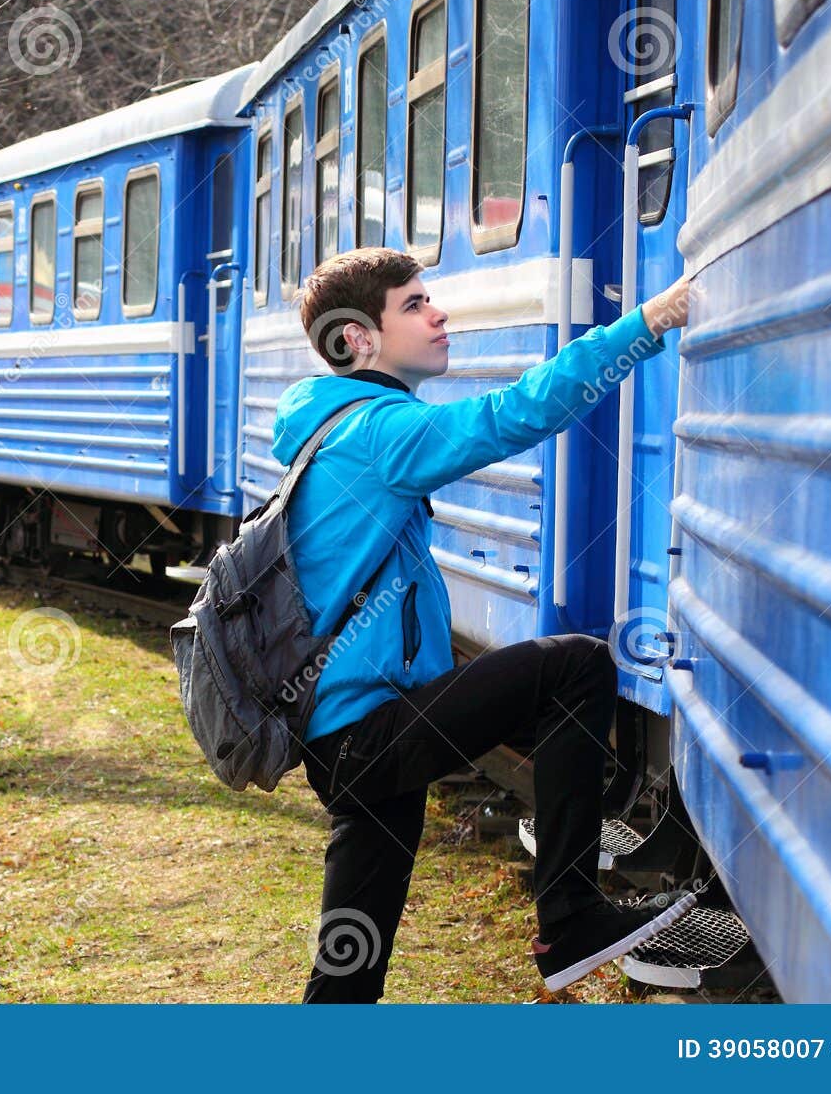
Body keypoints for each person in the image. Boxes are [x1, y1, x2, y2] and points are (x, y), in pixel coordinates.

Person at [274, 247, 695, 1001]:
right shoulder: (376, 432)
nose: (438, 314)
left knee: (348, 976)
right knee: (576, 668)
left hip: (349, 735)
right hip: (367, 733)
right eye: (413, 304)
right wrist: (650, 321)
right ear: (356, 340)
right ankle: (567, 916)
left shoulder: (334, 428)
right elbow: (516, 415)